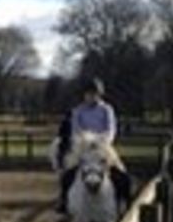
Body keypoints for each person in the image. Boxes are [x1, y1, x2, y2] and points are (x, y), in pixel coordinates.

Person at [55, 77, 131, 213]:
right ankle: (64, 201)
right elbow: (75, 130)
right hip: (83, 148)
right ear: (84, 95)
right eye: (88, 94)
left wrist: (102, 142)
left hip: (103, 147)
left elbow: (111, 129)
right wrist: (84, 142)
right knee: (68, 174)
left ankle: (124, 201)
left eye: (94, 94)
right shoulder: (77, 111)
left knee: (122, 174)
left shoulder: (107, 110)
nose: (90, 97)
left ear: (99, 94)